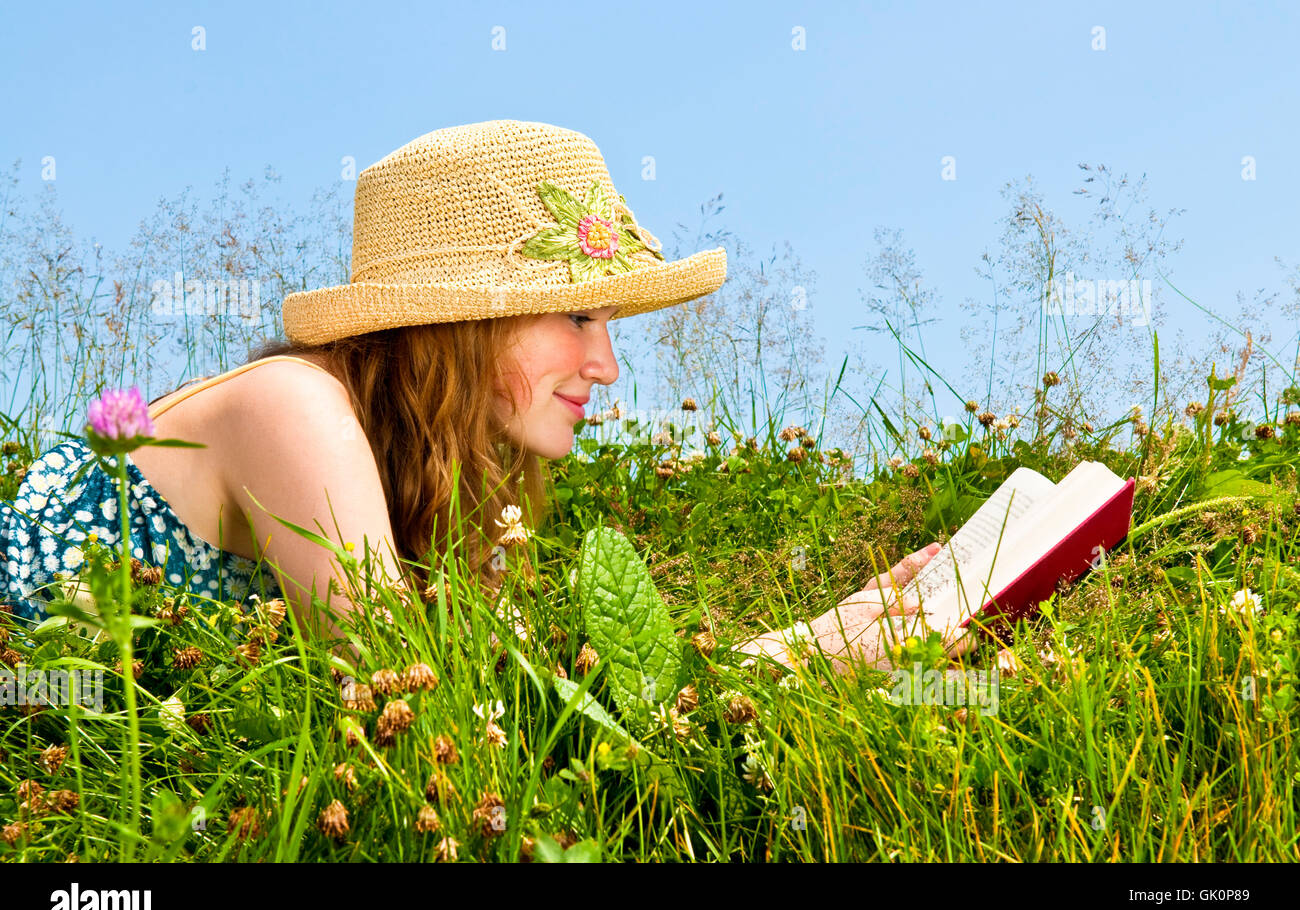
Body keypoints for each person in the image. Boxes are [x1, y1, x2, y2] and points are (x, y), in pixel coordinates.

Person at [1, 119, 966, 670]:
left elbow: (513, 703)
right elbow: (416, 696)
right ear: (462, 320)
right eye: (578, 316)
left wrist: (803, 642)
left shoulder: (440, 464)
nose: (607, 366)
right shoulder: (294, 408)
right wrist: (803, 660)